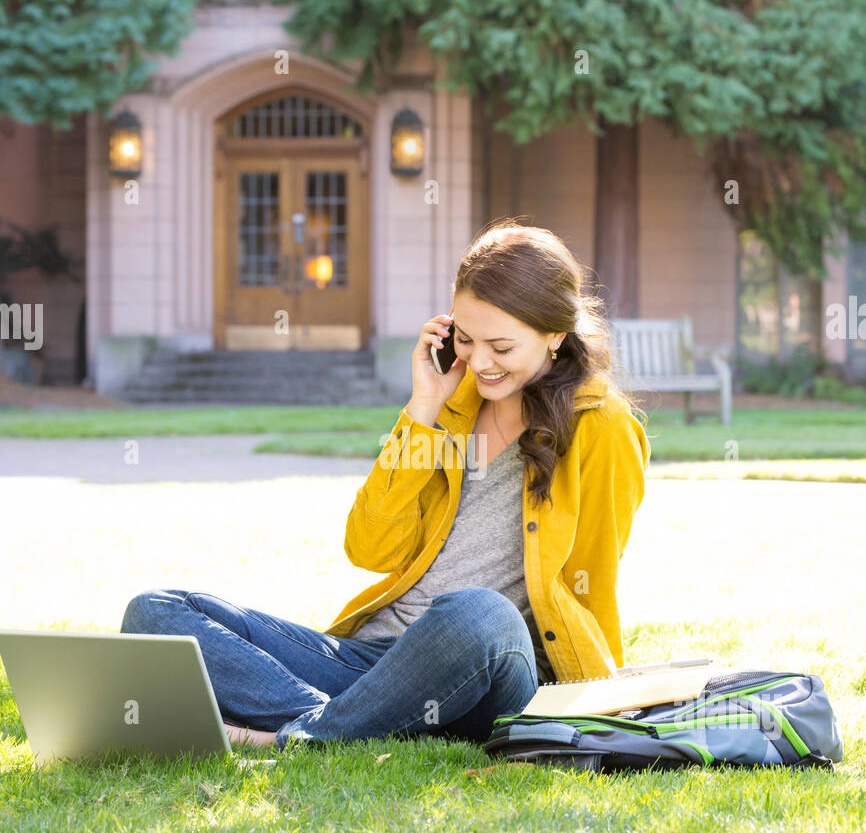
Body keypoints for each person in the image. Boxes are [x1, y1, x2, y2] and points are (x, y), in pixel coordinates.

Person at [120, 221, 650, 750]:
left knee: (480, 610)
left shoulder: (603, 427)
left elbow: (592, 577)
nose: (480, 363)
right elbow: (370, 547)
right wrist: (423, 407)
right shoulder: (450, 406)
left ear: (555, 335)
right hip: (379, 660)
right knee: (157, 610)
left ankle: (283, 737)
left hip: (487, 665)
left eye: (502, 347)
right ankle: (334, 724)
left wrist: (602, 700)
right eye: (465, 340)